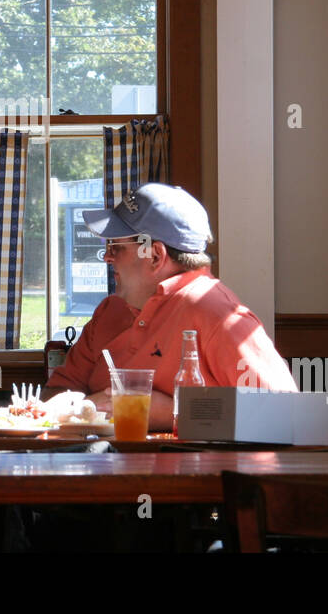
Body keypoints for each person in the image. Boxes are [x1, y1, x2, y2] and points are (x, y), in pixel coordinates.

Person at [45, 183, 297, 431]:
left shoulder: (217, 313)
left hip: (189, 471)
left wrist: (174, 413)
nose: (107, 257)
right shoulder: (110, 310)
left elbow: (283, 414)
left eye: (116, 248)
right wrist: (75, 408)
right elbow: (55, 392)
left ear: (154, 255)